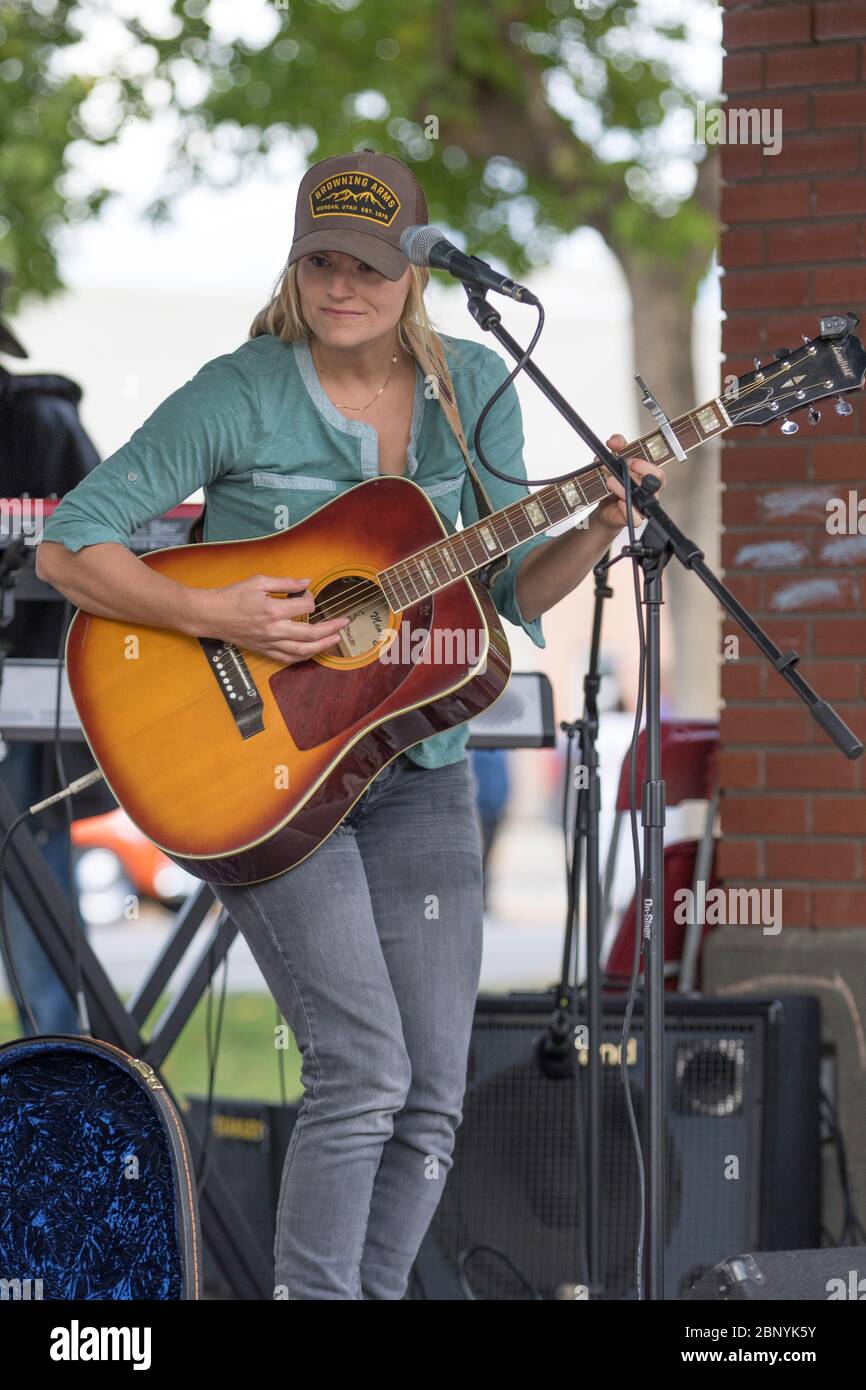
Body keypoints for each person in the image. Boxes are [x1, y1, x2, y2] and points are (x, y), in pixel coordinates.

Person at [35, 149, 665, 1299]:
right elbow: (69, 541)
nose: (342, 288)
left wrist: (598, 524)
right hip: (253, 763)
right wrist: (208, 606)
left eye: (368, 267)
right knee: (362, 1069)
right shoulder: (240, 388)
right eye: (320, 261)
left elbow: (511, 590)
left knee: (430, 1087)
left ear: (413, 273)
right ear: (295, 263)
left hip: (414, 767)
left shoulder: (473, 386)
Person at [0, 267, 110, 1036]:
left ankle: (63, 1098)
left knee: (41, 933)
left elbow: (104, 555)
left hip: (23, 712)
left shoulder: (41, 422)